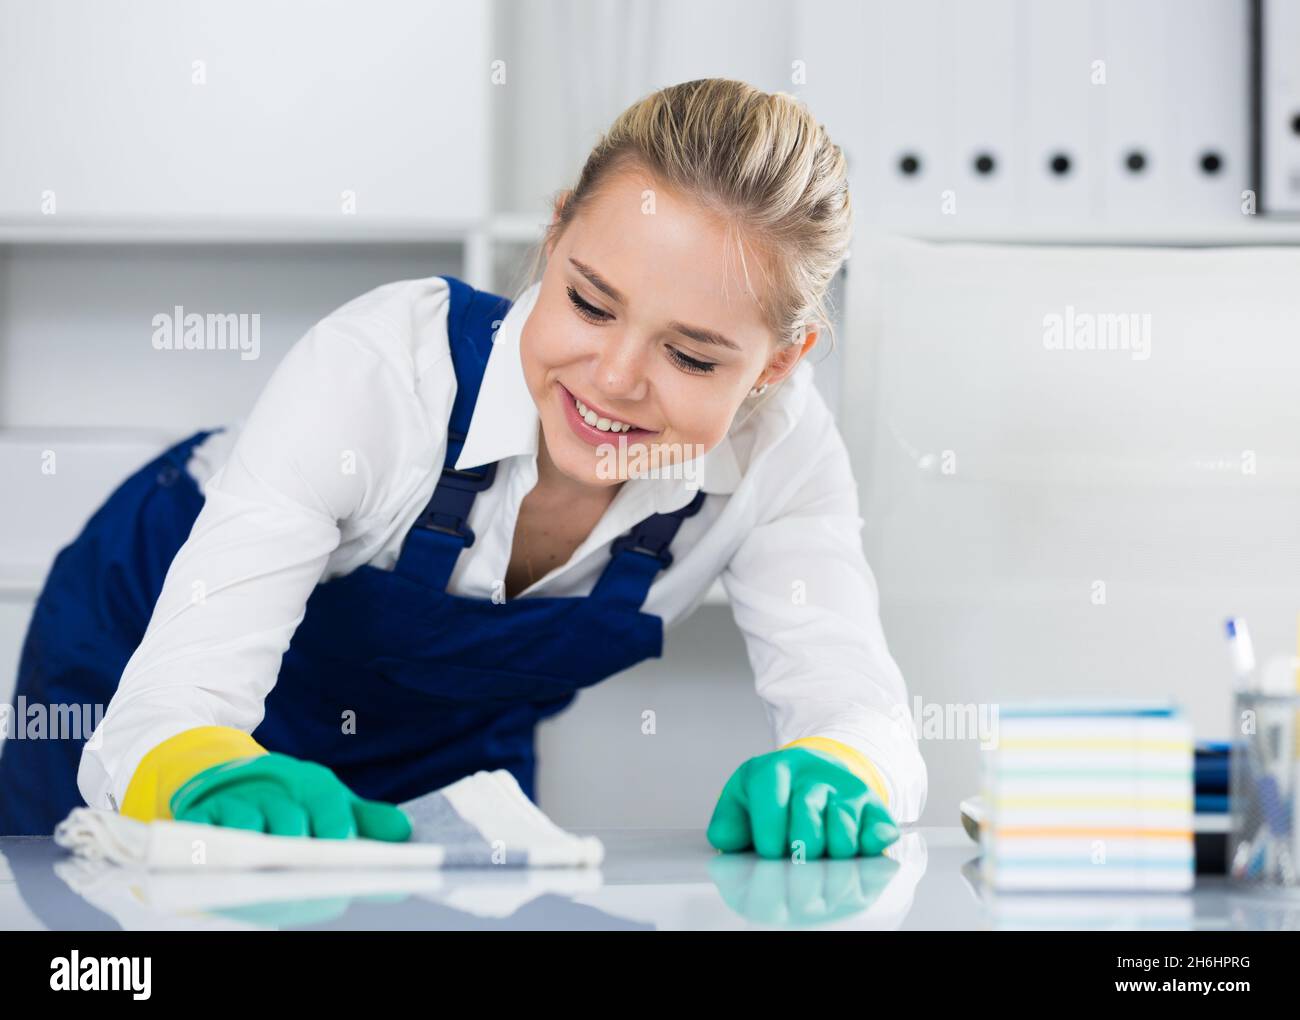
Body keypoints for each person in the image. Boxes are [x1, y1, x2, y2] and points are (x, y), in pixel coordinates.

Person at [0, 78, 926, 858]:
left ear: (778, 362)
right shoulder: (379, 373)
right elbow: (163, 709)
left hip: (445, 736)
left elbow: (861, 709)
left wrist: (842, 766)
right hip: (147, 629)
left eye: (691, 358)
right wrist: (191, 763)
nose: (612, 380)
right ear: (557, 234)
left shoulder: (782, 455)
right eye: (590, 302)